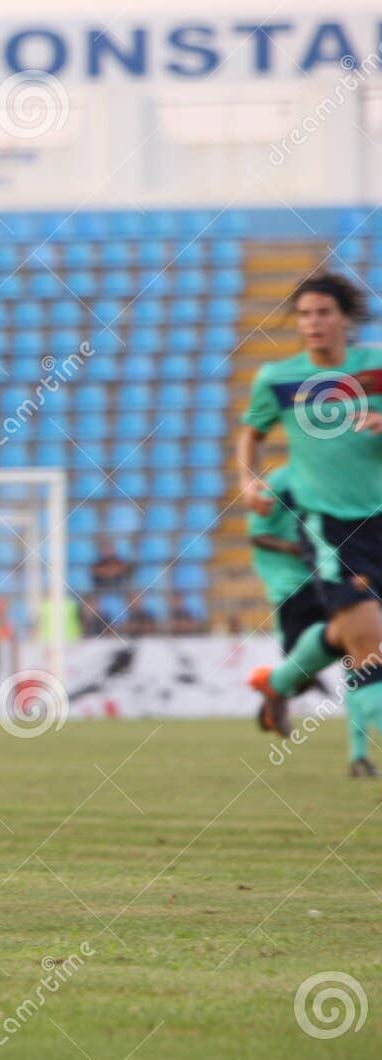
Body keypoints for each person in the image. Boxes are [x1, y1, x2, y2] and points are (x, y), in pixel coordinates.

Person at [240, 271, 382, 740]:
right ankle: (364, 752)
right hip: (329, 527)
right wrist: (248, 478)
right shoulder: (278, 379)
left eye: (323, 313)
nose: (312, 323)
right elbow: (253, 433)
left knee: (345, 635)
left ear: (346, 319)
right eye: (304, 315)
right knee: (369, 642)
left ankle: (277, 685)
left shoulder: (375, 369)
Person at [247, 465, 376, 777]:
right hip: (295, 585)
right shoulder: (282, 481)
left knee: (362, 663)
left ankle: (359, 756)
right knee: (305, 679)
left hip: (335, 577)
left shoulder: (346, 478)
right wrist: (296, 547)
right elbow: (258, 534)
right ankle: (277, 684)